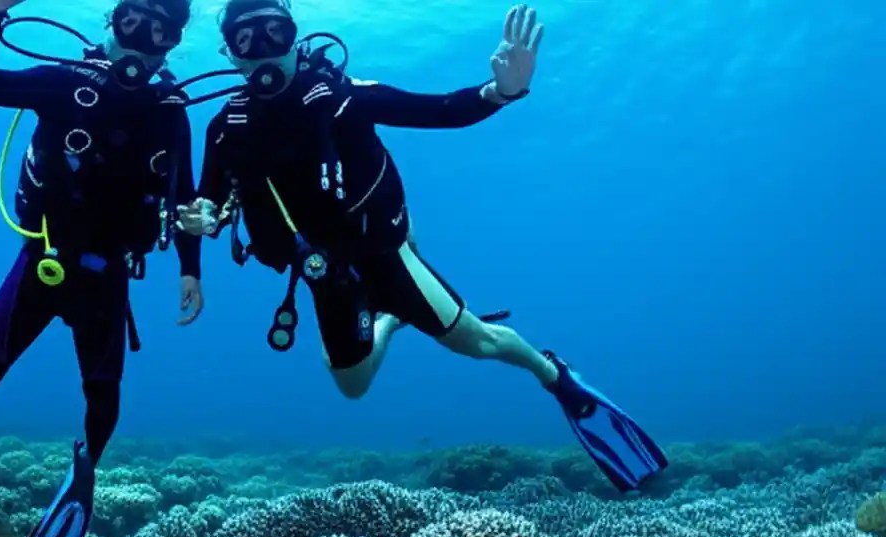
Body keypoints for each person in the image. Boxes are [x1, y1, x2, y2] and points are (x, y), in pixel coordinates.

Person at [177, 1, 668, 491]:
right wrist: (199, 234)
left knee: (478, 342)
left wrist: (503, 90)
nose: (261, 50)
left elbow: (438, 110)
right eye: (245, 40)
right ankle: (390, 320)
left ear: (294, 36)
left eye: (273, 33)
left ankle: (554, 375)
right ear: (229, 53)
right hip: (323, 273)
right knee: (352, 386)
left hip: (385, 256)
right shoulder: (226, 130)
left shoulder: (343, 97)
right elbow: (210, 202)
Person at [0, 0, 204, 537]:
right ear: (112, 23)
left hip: (109, 278)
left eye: (159, 32)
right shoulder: (63, 83)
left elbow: (184, 196)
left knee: (103, 395)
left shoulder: (169, 110)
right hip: (43, 262)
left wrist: (190, 267)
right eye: (132, 22)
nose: (141, 41)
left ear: (173, 44)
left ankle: (83, 478)